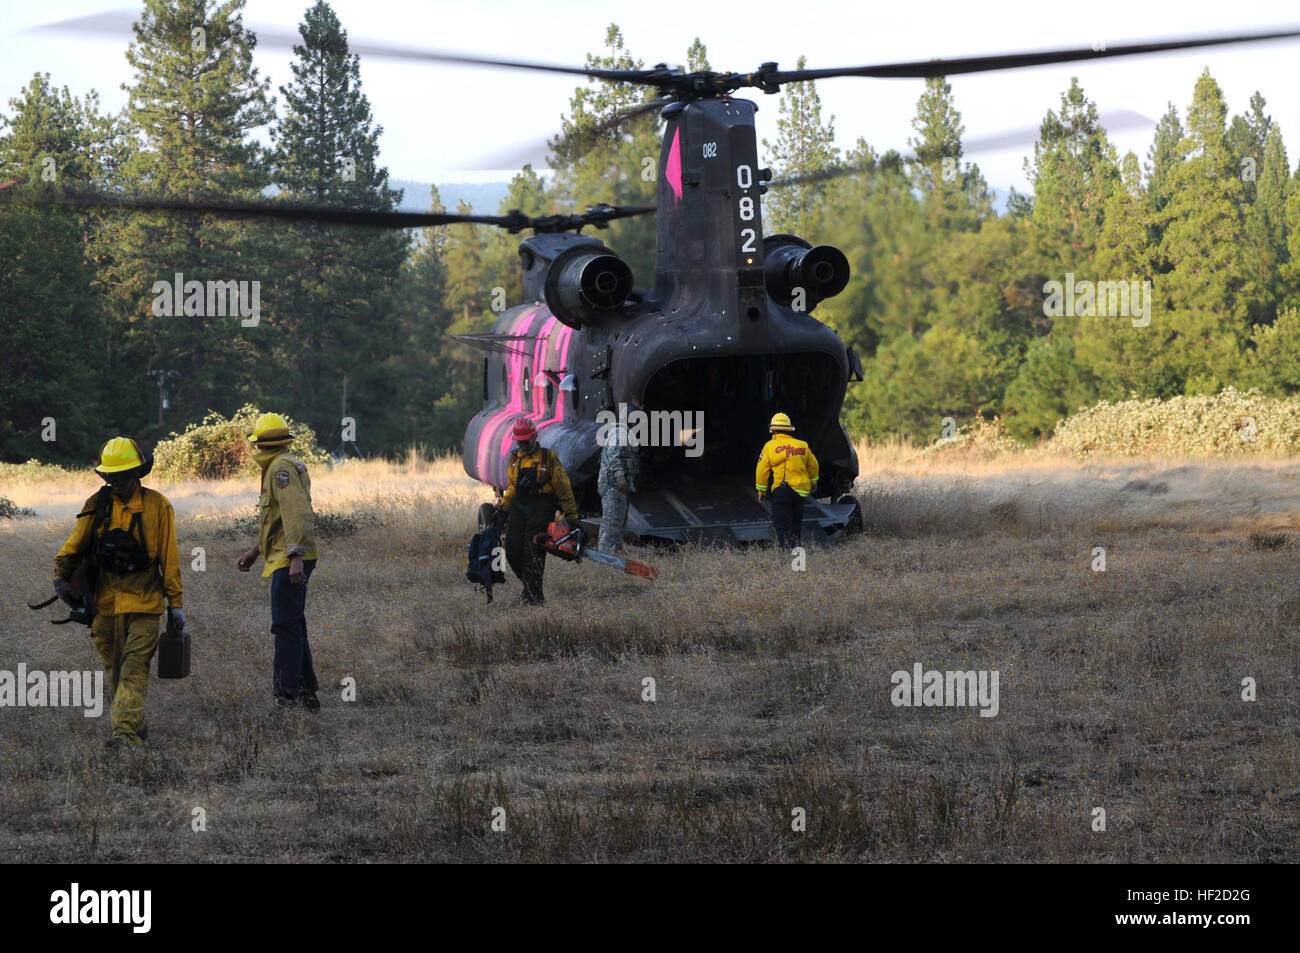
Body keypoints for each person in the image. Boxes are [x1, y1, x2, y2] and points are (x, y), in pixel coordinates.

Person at [53, 437, 183, 748]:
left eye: (123, 476)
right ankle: (135, 725)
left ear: (138, 473)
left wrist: (175, 605)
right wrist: (60, 578)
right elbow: (75, 544)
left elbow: (170, 557)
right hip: (104, 606)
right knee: (116, 672)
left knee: (134, 668)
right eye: (111, 477)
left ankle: (124, 735)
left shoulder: (159, 506)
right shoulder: (97, 506)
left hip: (145, 604)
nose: (117, 483)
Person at [235, 413, 320, 710]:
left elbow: (296, 513)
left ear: (260, 444)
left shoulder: (279, 470)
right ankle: (307, 693)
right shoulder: (283, 464)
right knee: (293, 624)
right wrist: (255, 551)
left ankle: (287, 695)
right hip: (287, 555)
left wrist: (295, 557)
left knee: (284, 626)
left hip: (291, 559)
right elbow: (276, 520)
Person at [499, 418, 580, 605]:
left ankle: (534, 599)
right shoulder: (514, 459)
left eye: (526, 441)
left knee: (532, 552)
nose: (523, 445)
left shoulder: (548, 457)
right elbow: (512, 487)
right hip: (519, 506)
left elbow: (563, 488)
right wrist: (504, 508)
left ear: (535, 436)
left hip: (542, 507)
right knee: (512, 551)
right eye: (520, 442)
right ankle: (530, 589)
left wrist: (572, 516)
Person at [755, 413, 819, 549]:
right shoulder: (803, 445)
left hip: (782, 491)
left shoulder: (770, 446)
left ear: (773, 430)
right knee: (796, 523)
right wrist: (813, 484)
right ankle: (796, 550)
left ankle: (787, 552)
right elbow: (813, 466)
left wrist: (762, 491)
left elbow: (762, 470)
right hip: (800, 492)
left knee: (782, 523)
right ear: (789, 429)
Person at [597, 418, 640, 553]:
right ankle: (605, 555)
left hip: (617, 487)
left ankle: (613, 554)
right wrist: (620, 477)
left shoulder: (624, 433)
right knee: (611, 525)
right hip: (613, 486)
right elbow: (614, 455)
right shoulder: (619, 433)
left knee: (617, 525)